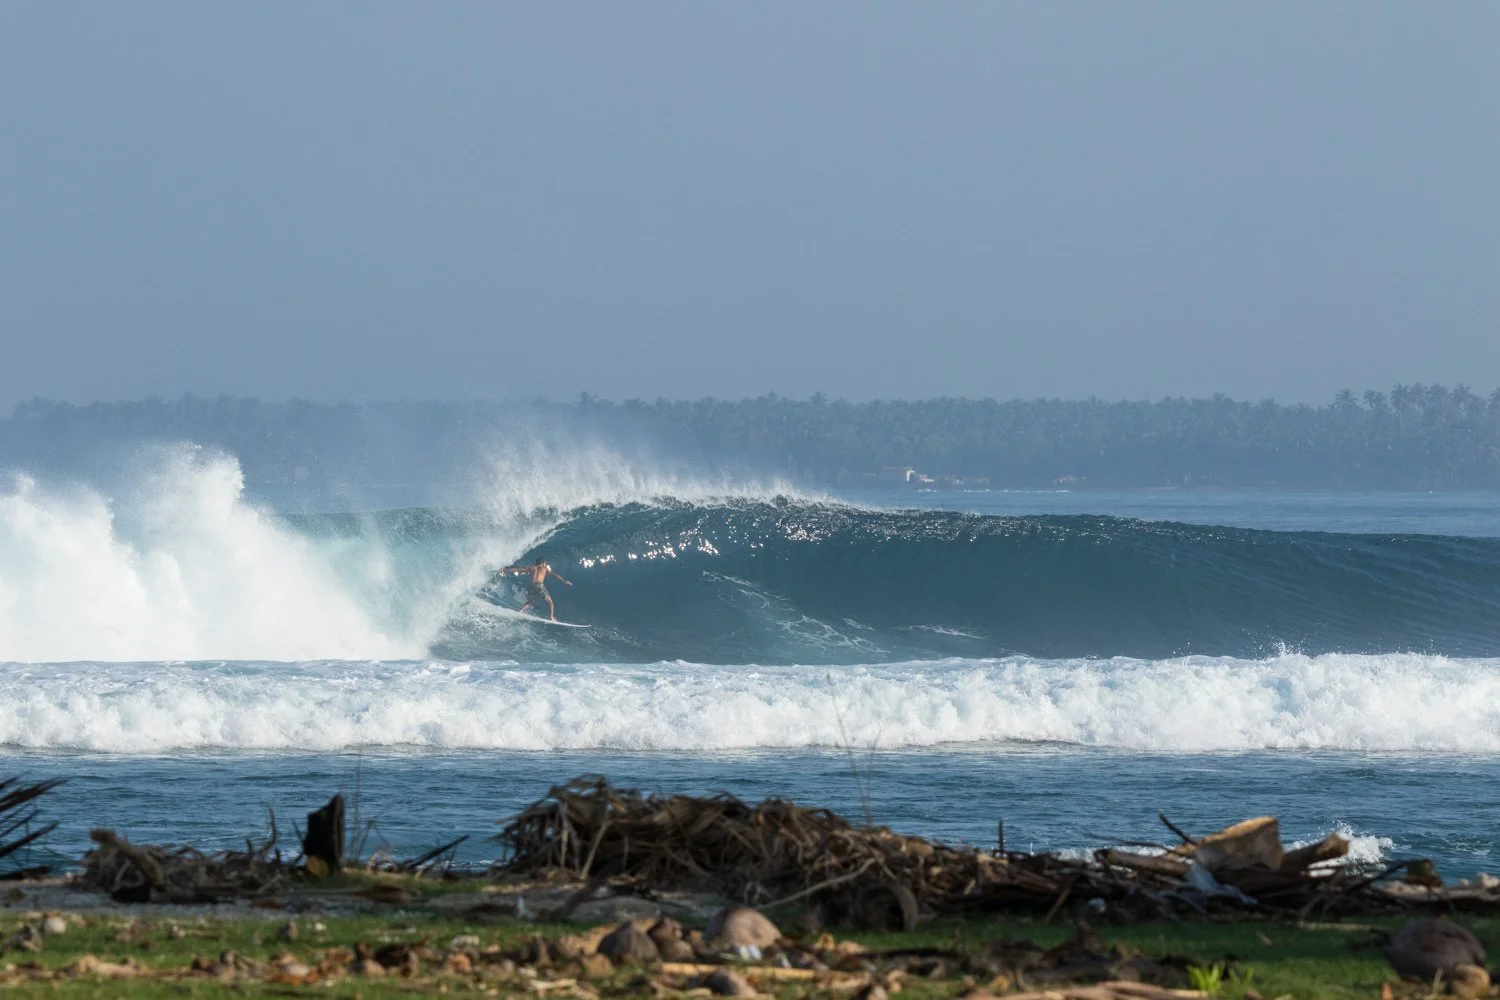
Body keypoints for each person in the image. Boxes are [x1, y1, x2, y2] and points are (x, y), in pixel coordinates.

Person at [495, 557, 573, 622]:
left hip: (531, 585)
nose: (545, 564)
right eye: (545, 563)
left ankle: (521, 611)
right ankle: (552, 617)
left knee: (530, 601)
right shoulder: (544, 568)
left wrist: (504, 570)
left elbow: (518, 570)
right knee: (550, 602)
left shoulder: (532, 568)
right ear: (542, 563)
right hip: (539, 585)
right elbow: (555, 575)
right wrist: (564, 581)